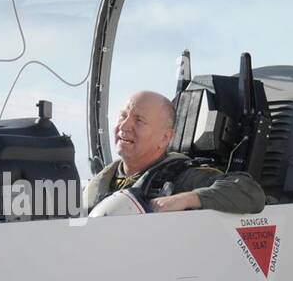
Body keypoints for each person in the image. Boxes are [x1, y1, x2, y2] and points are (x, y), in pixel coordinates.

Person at [82, 90, 265, 214]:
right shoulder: (100, 184)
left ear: (165, 138)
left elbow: (250, 192)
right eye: (123, 115)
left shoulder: (183, 178)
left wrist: (188, 199)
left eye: (139, 120)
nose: (124, 125)